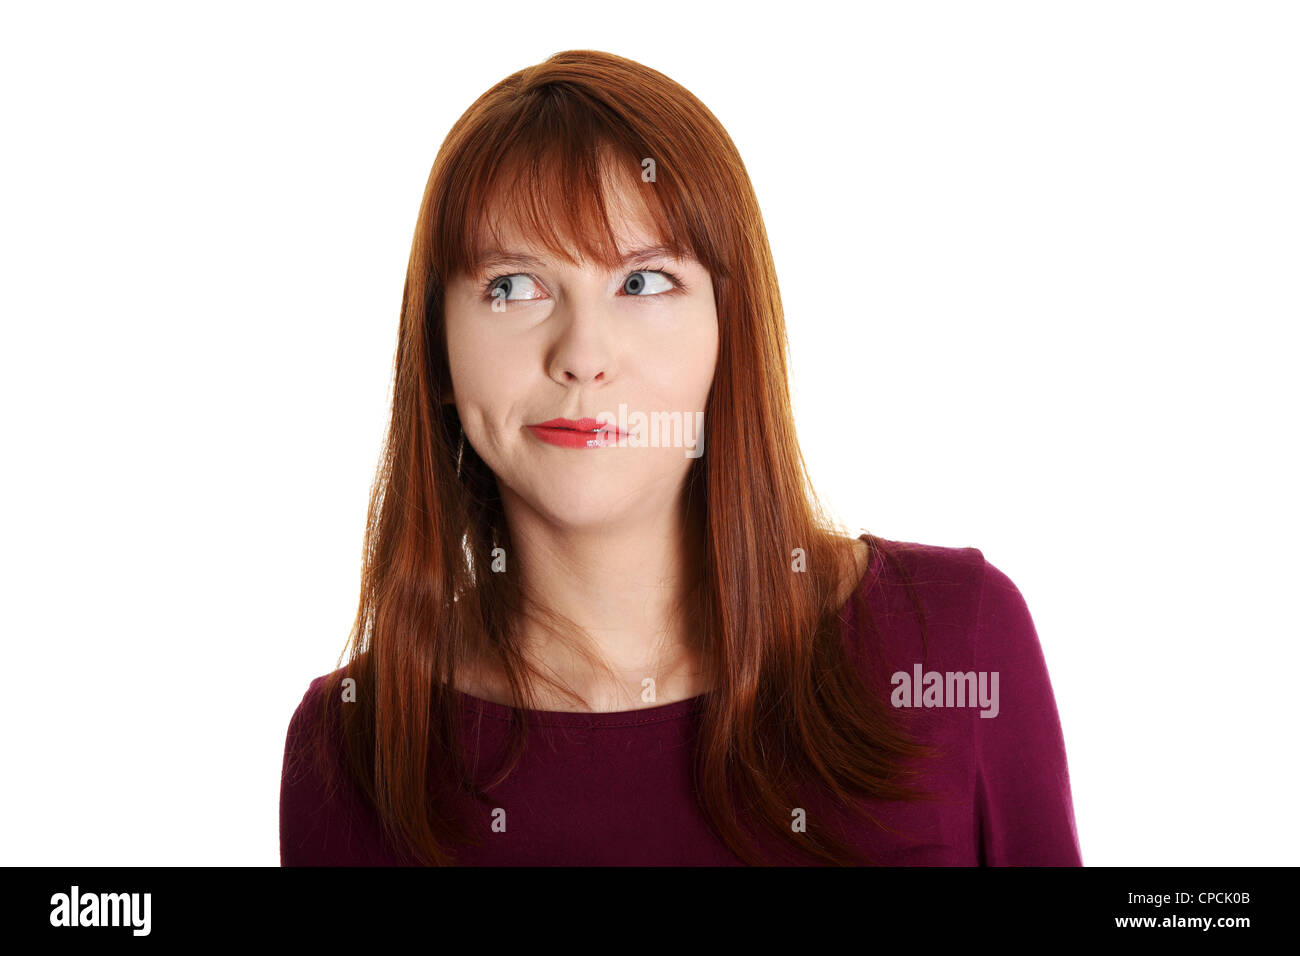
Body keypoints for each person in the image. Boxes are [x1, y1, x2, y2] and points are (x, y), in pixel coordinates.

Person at [279, 49, 1082, 866]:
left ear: (728, 329)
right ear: (438, 354)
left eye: (643, 282)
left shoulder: (950, 638)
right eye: (514, 286)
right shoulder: (350, 755)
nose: (583, 356)